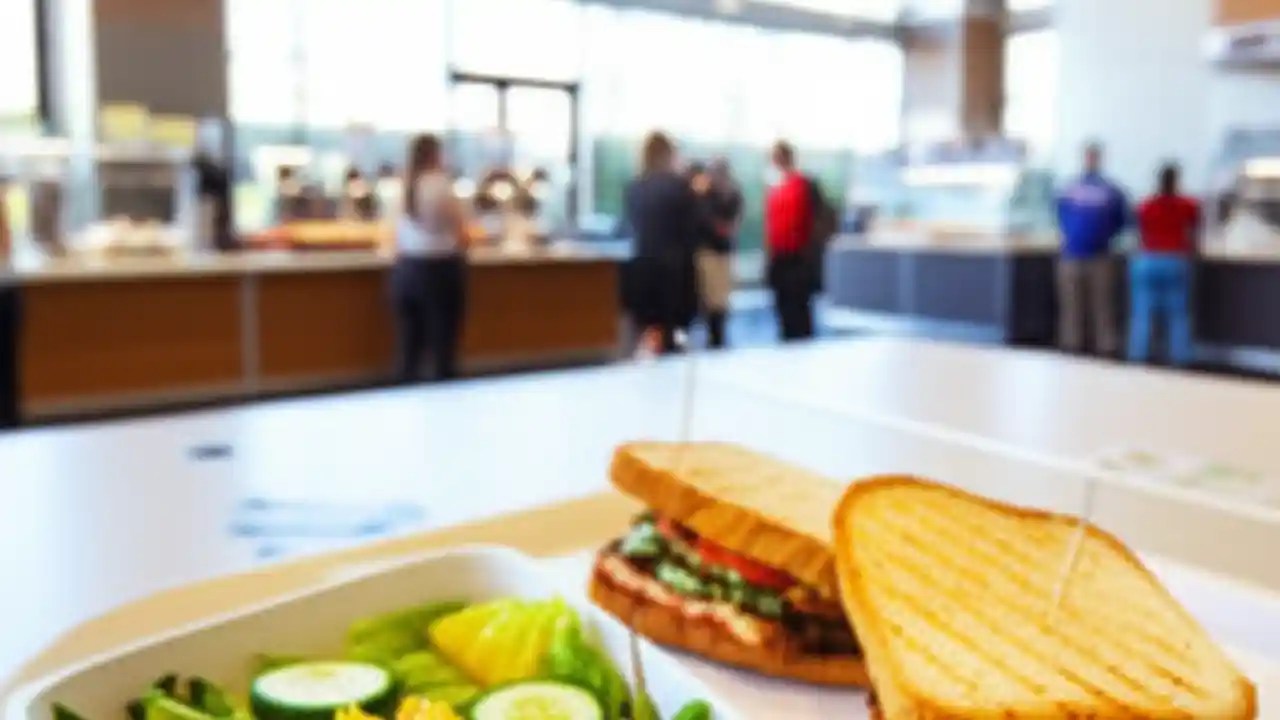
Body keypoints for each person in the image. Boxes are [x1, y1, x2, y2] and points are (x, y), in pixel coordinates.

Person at [390, 134, 469, 382]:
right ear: (435, 154)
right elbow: (460, 229)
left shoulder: (403, 185)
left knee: (410, 344)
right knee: (442, 343)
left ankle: (407, 390)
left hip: (406, 269)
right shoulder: (440, 185)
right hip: (439, 268)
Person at [623, 132, 698, 354]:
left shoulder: (634, 188)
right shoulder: (679, 187)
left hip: (643, 270)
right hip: (675, 273)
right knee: (674, 338)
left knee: (650, 335)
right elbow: (692, 231)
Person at [1056, 143, 1129, 356]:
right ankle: (1082, 345)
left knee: (1093, 306)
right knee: (1083, 306)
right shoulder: (1108, 190)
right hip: (1084, 253)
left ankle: (1090, 346)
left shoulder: (1072, 189)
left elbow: (1121, 220)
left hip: (1090, 253)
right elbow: (1122, 221)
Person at [1129, 163, 1198, 366]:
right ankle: (1180, 359)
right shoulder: (1187, 205)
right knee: (1178, 315)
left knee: (1142, 313)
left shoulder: (1146, 205)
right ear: (1176, 181)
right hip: (1175, 260)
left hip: (1147, 259)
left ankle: (1137, 357)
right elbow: (1194, 233)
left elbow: (1137, 233)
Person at [765, 140, 815, 341]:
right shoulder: (776, 188)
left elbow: (808, 221)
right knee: (782, 305)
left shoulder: (801, 184)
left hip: (796, 255)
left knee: (798, 306)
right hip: (779, 255)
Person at [696, 158, 742, 349]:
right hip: (708, 253)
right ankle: (713, 336)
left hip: (723, 253)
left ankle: (718, 338)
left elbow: (731, 225)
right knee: (709, 300)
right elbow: (707, 222)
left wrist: (724, 228)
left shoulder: (733, 195)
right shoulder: (704, 195)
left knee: (720, 302)